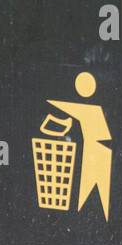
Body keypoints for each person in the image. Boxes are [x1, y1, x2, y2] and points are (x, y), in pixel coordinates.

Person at [48, 72, 112, 220]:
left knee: (96, 198)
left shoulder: (94, 113)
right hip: (92, 152)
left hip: (97, 153)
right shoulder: (92, 112)